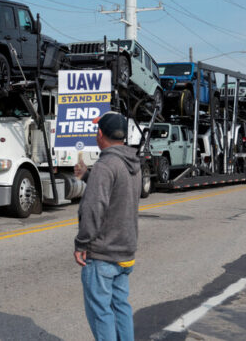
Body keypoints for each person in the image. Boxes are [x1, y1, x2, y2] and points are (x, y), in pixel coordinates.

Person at [73, 111, 141, 341]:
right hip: (125, 251)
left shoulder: (105, 164)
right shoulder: (133, 163)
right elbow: (117, 190)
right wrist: (87, 176)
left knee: (101, 313)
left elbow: (93, 208)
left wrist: (81, 243)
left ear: (100, 134)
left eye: (96, 130)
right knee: (121, 307)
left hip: (103, 253)